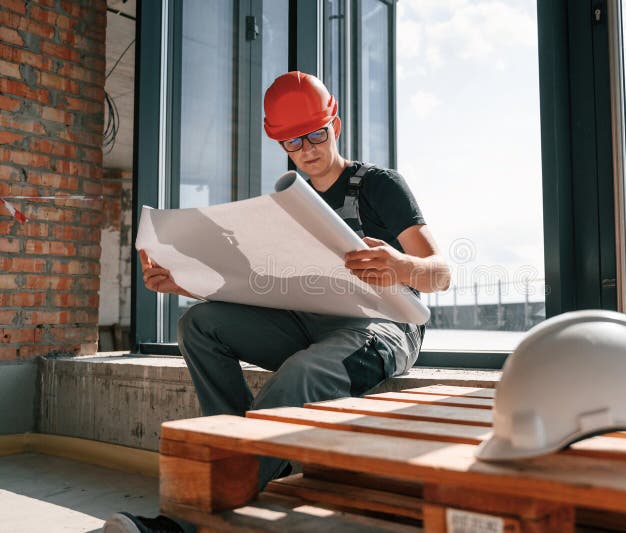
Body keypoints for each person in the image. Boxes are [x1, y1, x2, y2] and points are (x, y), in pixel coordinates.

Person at [104, 71, 451, 533]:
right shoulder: (291, 202)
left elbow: (441, 272)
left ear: (336, 127)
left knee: (305, 372)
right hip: (309, 318)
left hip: (382, 327)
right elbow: (258, 285)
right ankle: (247, 455)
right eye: (292, 142)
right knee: (200, 324)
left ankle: (188, 520)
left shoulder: (378, 185)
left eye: (316, 135)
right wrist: (181, 283)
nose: (307, 150)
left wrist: (401, 267)